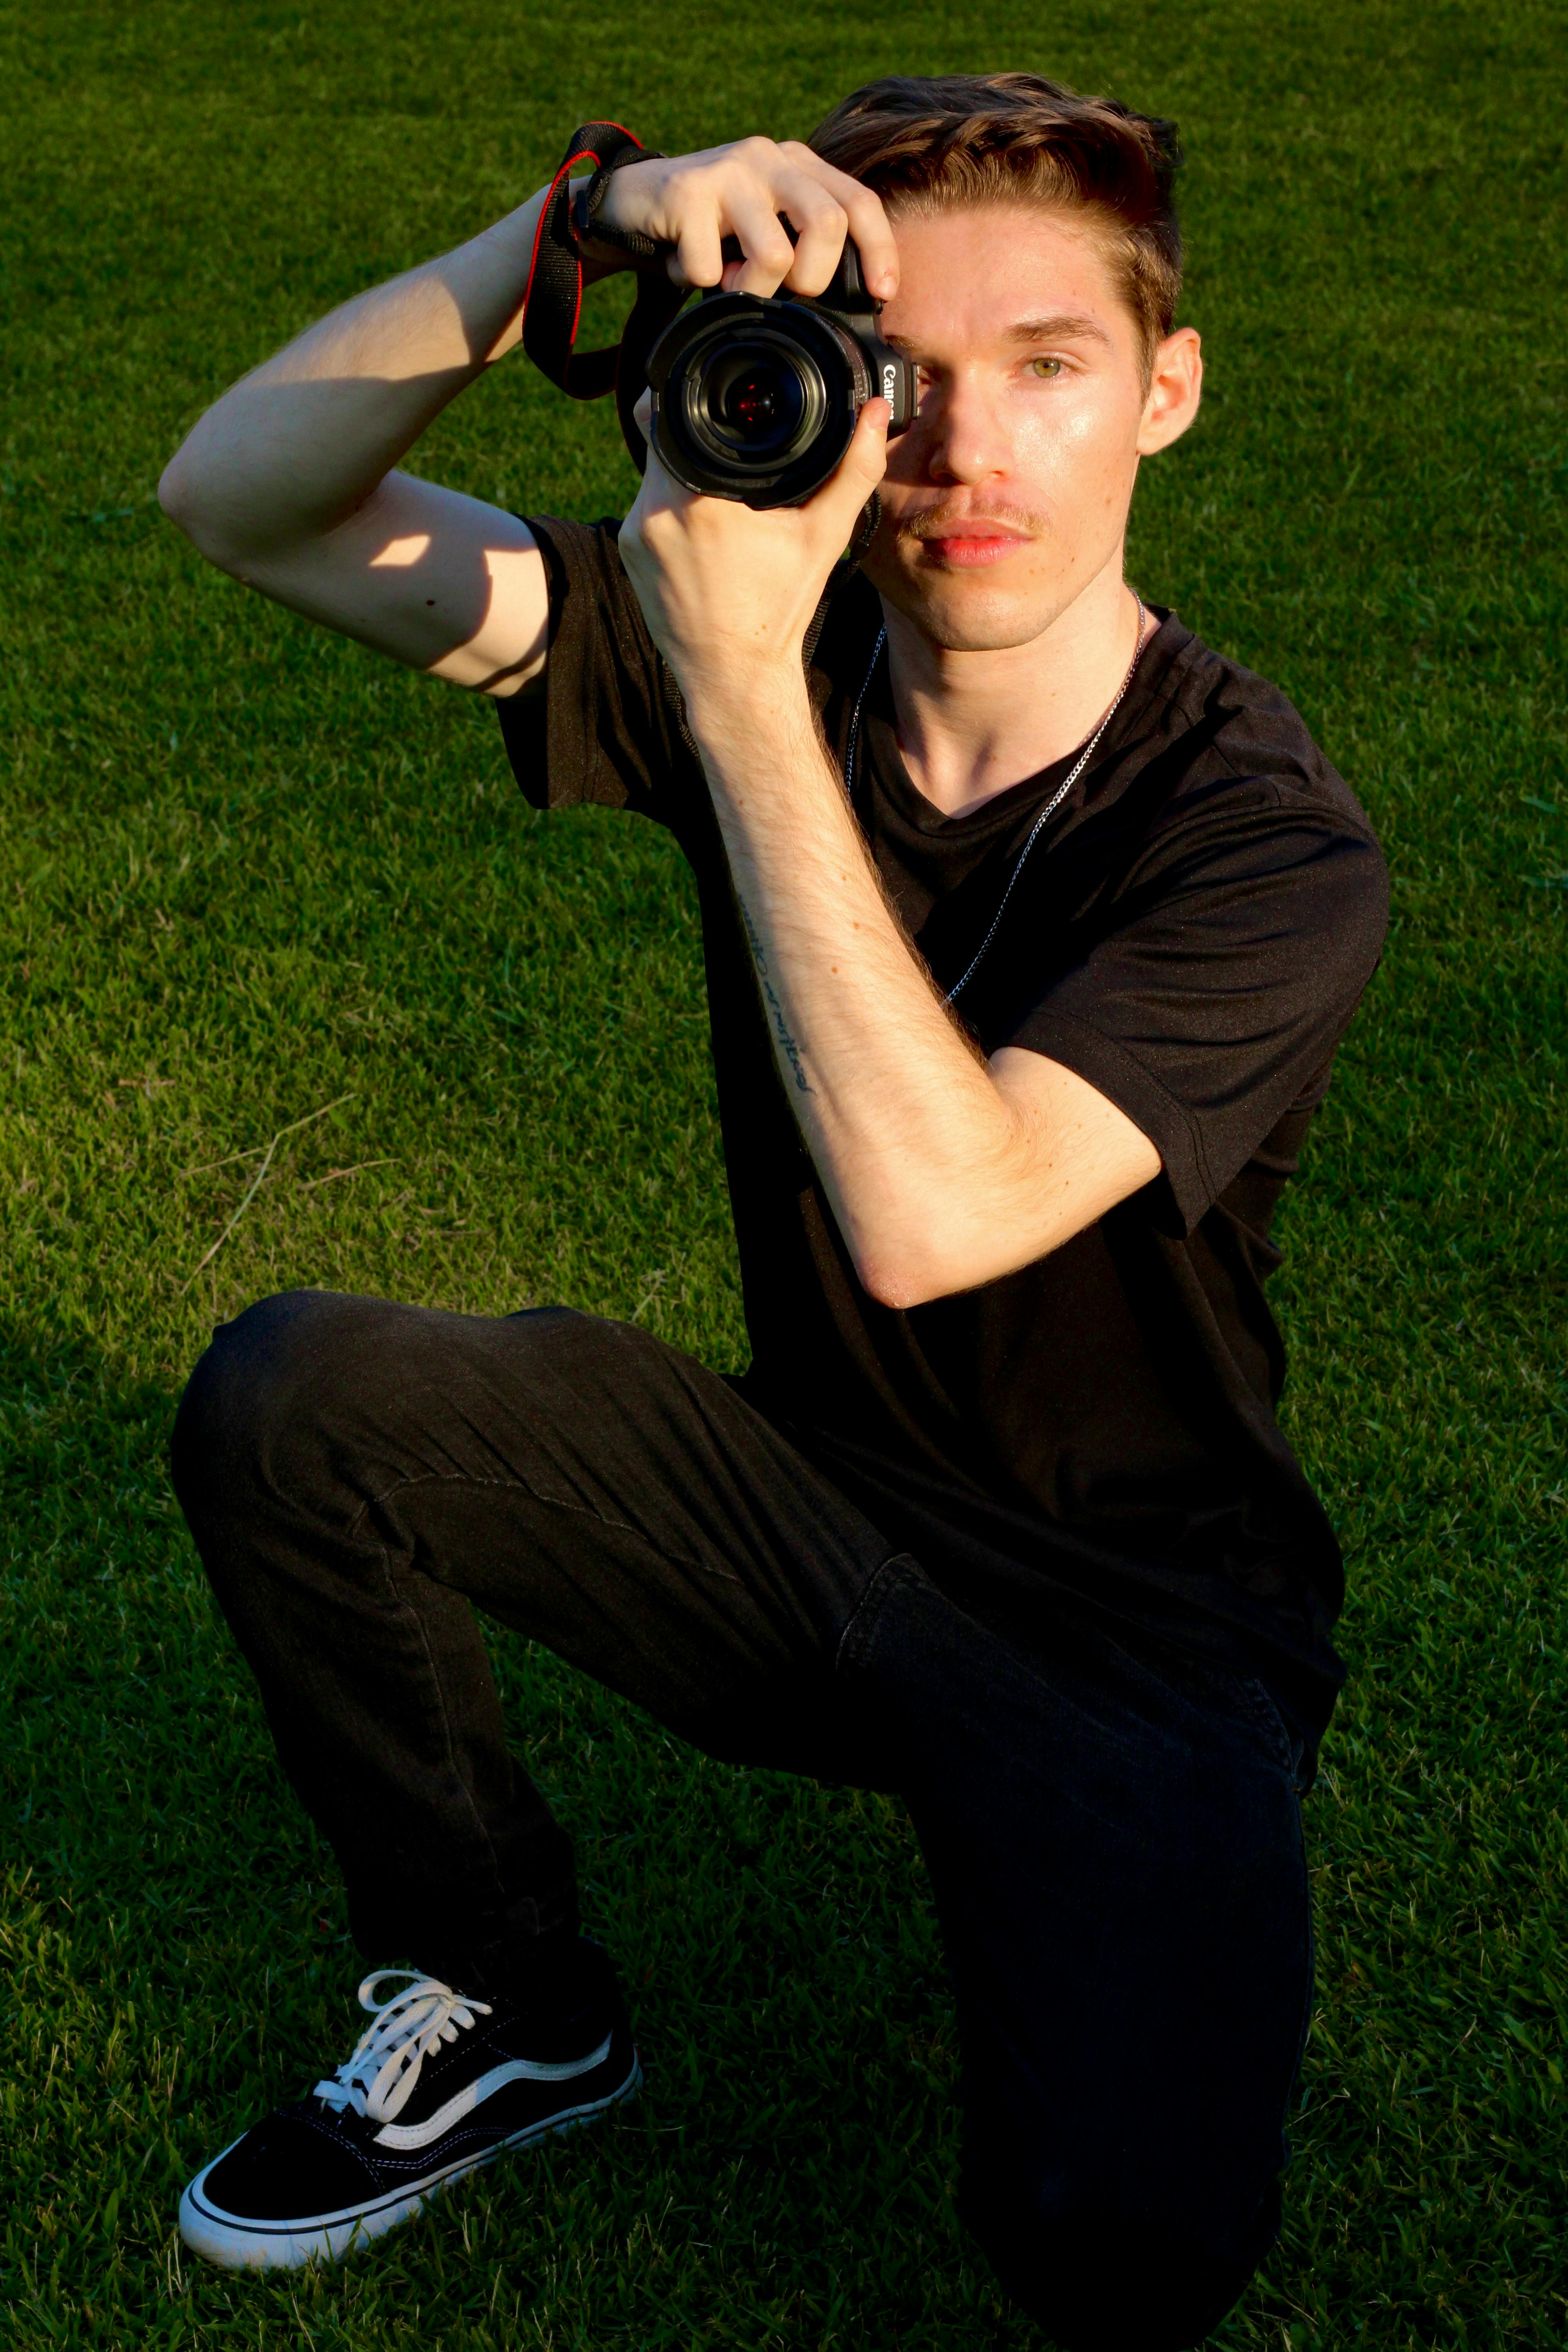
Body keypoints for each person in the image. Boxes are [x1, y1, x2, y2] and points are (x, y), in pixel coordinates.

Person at [158, 72, 1388, 2349]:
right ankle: (512, 1994)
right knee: (304, 1402)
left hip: (1136, 1632)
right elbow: (243, 498)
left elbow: (946, 1212)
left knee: (1123, 2252)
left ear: (1168, 394)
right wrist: (577, 231)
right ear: (806, 380)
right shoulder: (784, 653)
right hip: (805, 1508)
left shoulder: (1264, 837)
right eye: (898, 370)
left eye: (1049, 369)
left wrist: (729, 691)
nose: (963, 447)